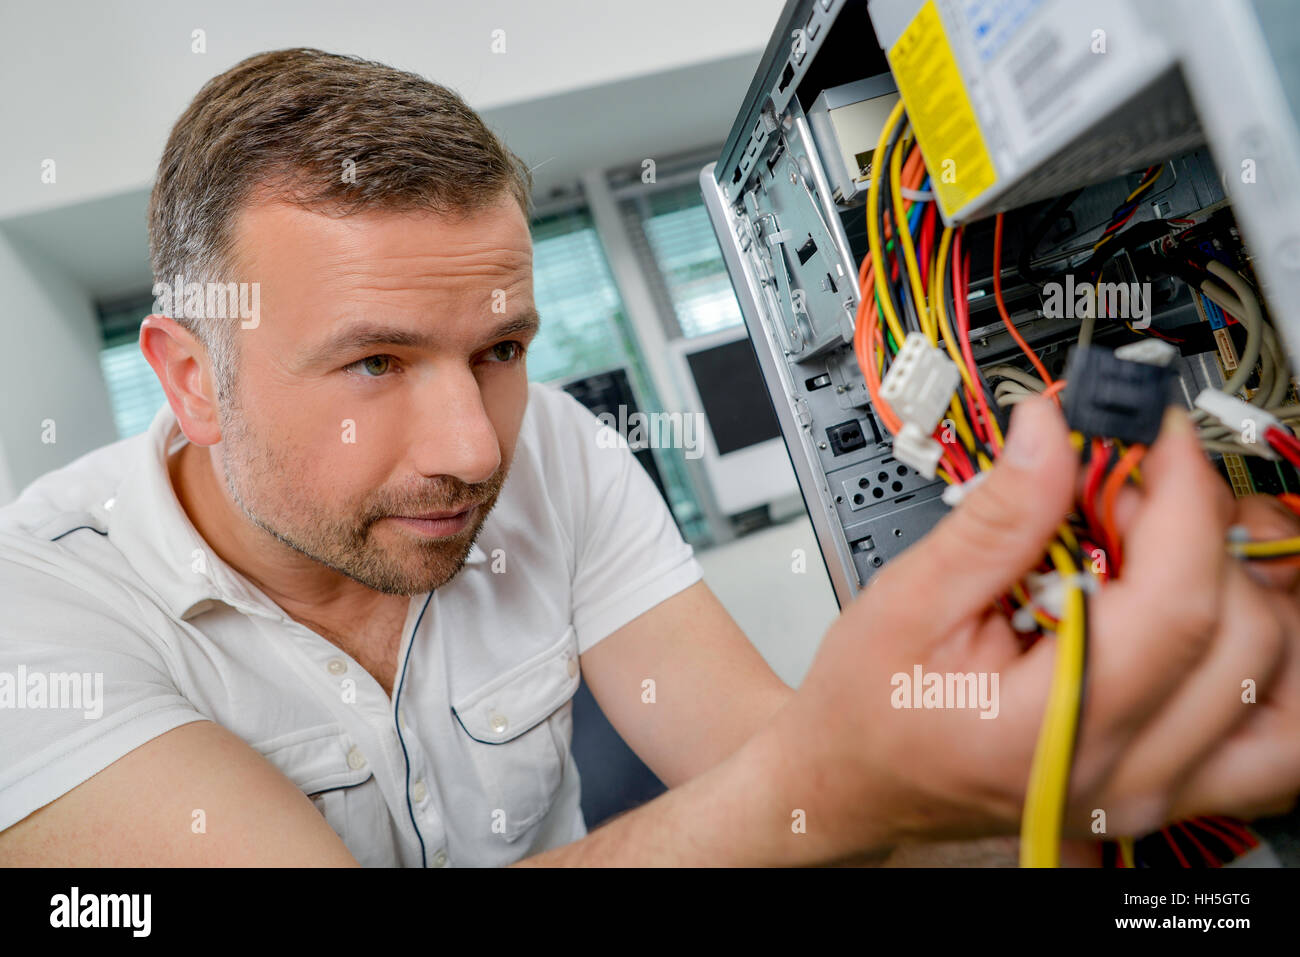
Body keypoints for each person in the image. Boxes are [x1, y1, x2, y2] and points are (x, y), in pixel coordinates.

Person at [2, 49, 1298, 867]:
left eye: (501, 347)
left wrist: (1058, 790)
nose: (472, 445)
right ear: (189, 376)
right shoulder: (37, 609)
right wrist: (830, 782)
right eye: (374, 364)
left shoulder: (550, 446)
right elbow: (805, 787)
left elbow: (777, 775)